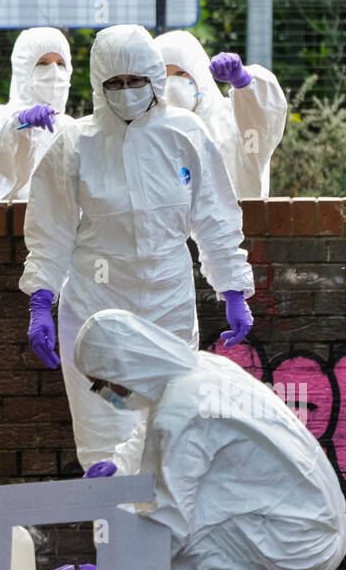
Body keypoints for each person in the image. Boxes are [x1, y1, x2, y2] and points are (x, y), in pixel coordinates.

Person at [20, 24, 255, 470]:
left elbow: (215, 218)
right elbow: (51, 229)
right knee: (104, 444)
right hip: (95, 311)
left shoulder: (185, 134)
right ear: (98, 84)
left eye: (135, 81)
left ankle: (165, 540)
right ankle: (108, 536)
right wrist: (40, 299)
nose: (126, 92)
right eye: (115, 83)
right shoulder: (76, 144)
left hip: (170, 303)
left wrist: (233, 290)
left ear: (154, 80)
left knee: (170, 434)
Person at [73, 309, 346, 570]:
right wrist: (118, 465)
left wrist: (115, 565)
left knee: (165, 515)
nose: (105, 393)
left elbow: (169, 519)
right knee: (199, 496)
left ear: (122, 367)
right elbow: (148, 431)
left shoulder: (181, 410)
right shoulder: (201, 369)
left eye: (102, 381)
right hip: (310, 529)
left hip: (295, 547)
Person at [154, 30, 287, 199]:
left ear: (199, 72)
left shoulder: (232, 123)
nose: (172, 85)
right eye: (163, 77)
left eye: (181, 73)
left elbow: (262, 124)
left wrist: (245, 83)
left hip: (241, 223)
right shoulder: (150, 132)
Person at [0, 28, 76, 201]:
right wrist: (21, 119)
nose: (54, 72)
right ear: (23, 69)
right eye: (43, 63)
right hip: (3, 223)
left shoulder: (69, 127)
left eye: (60, 63)